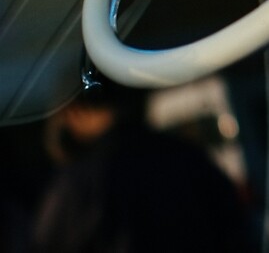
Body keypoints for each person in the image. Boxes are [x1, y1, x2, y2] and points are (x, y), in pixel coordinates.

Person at [32, 84, 255, 253]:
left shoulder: (79, 181)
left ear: (74, 113)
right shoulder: (180, 153)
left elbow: (47, 243)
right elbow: (234, 221)